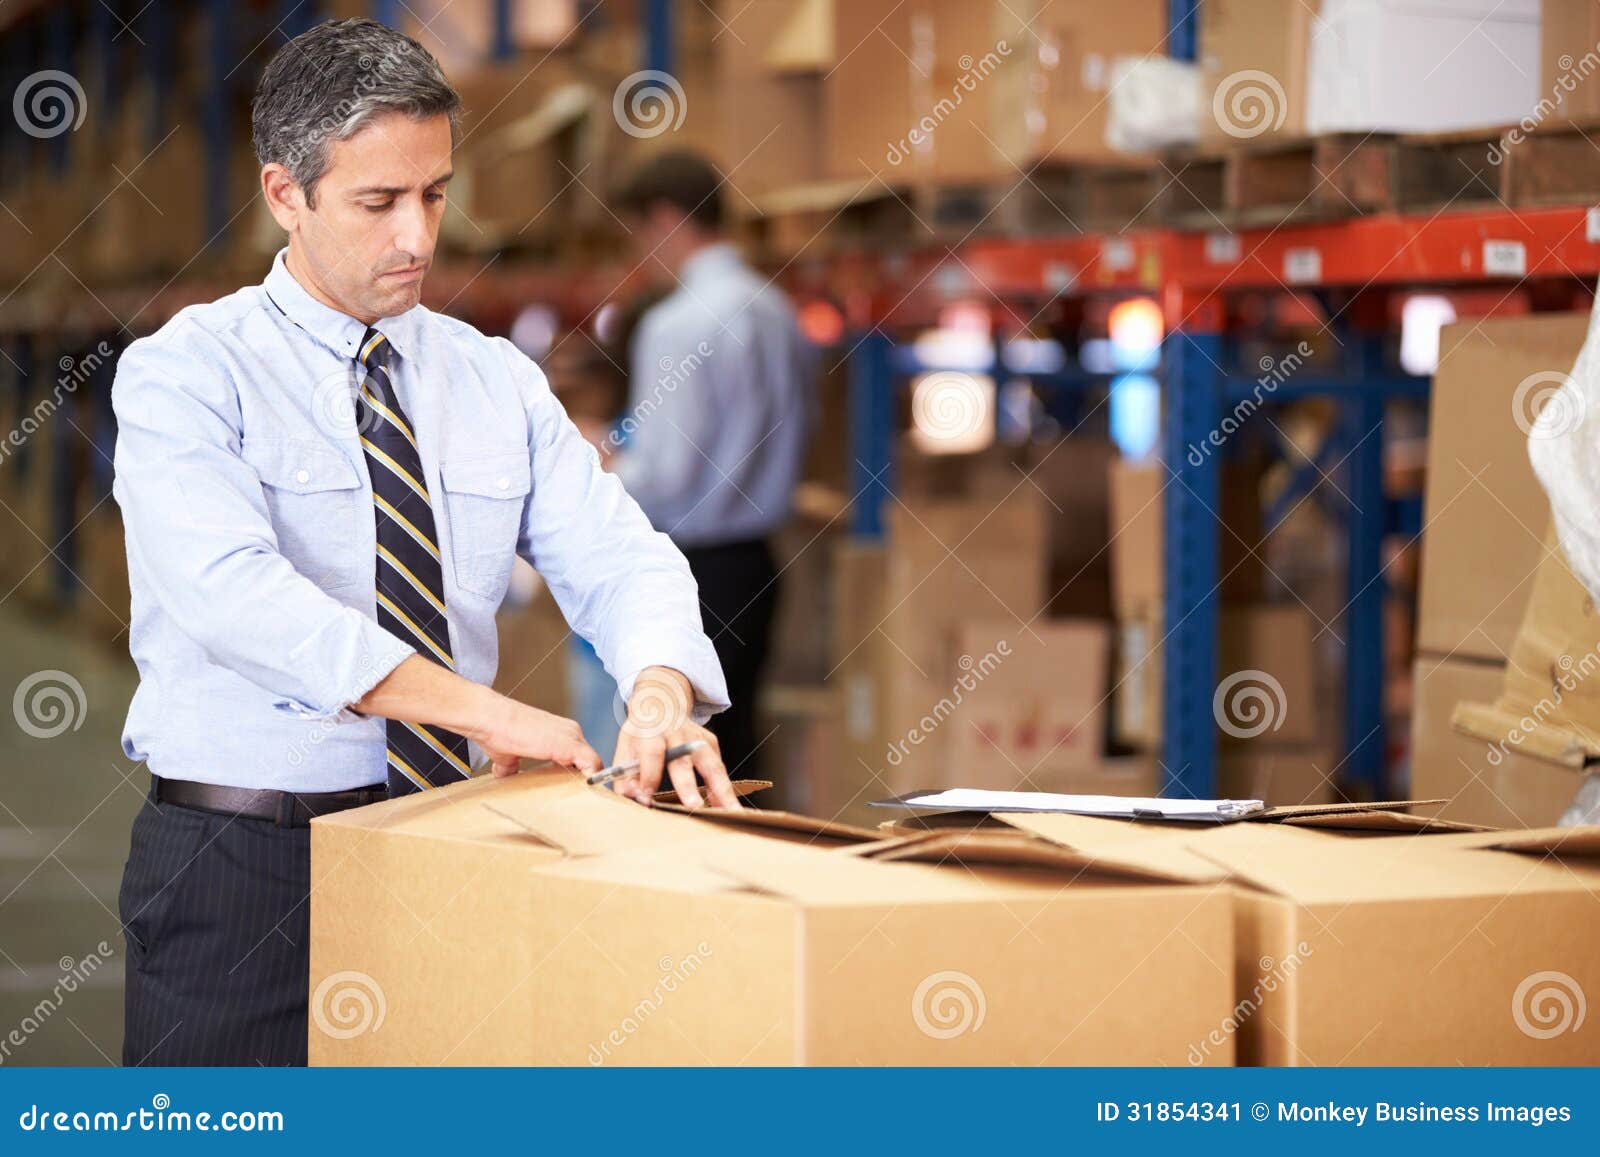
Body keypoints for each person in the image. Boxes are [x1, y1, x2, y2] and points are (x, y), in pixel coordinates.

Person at [111, 18, 738, 1068]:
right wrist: (484, 710)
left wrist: (661, 689)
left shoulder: (492, 379)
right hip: (244, 866)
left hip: (450, 845)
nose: (417, 236)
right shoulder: (188, 373)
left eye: (435, 194)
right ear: (285, 194)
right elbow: (235, 596)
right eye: (377, 202)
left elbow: (619, 554)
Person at [608, 151, 814, 776]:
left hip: (693, 574)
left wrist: (599, 469)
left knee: (675, 760)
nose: (646, 254)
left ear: (667, 220)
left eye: (644, 234)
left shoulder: (674, 325)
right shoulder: (781, 311)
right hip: (758, 563)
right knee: (742, 741)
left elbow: (665, 478)